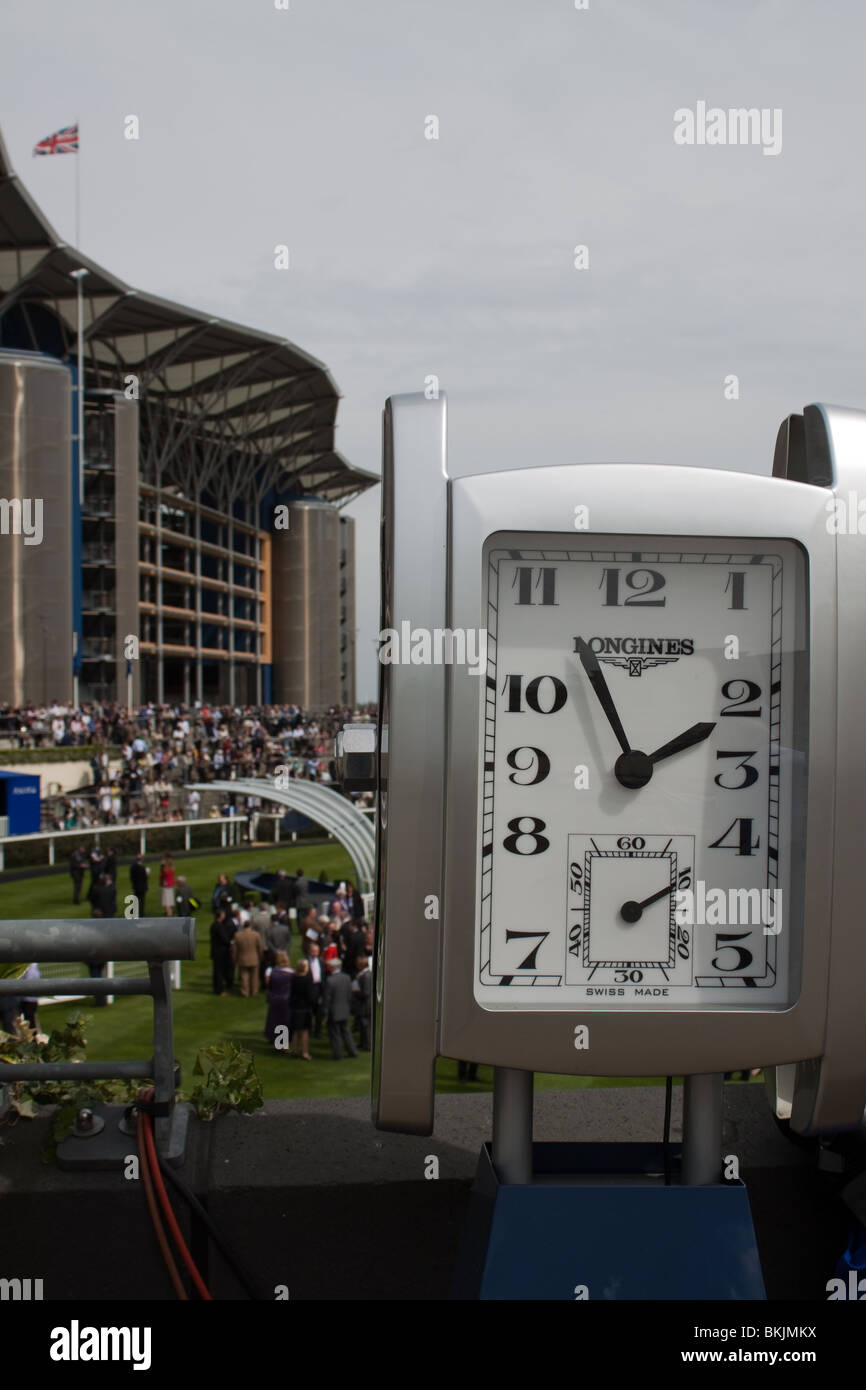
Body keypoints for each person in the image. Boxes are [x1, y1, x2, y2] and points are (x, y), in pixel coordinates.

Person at [324, 957, 357, 1060]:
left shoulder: (330, 981)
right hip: (345, 1009)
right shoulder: (347, 978)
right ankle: (352, 1051)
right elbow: (349, 994)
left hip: (334, 1011)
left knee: (335, 1034)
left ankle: (338, 1054)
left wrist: (325, 1014)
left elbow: (327, 1000)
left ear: (333, 968)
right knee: (346, 1032)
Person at [264, 950, 293, 1046]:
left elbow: (269, 985)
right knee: (283, 1021)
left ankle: (273, 1038)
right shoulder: (291, 974)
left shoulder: (273, 972)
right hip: (286, 999)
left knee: (274, 1019)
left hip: (275, 998)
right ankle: (282, 1043)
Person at [231, 919, 263, 997]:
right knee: (254, 976)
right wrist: (260, 956)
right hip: (254, 958)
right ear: (250, 926)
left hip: (242, 958)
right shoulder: (256, 934)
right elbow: (260, 947)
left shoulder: (238, 935)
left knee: (244, 976)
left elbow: (234, 949)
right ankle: (254, 991)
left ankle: (245, 992)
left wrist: (234, 958)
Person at [289, 958, 313, 1060]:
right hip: (304, 1008)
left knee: (295, 1030)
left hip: (295, 1006)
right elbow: (309, 995)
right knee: (304, 1031)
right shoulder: (307, 979)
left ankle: (294, 1049)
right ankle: (304, 1052)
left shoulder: (294, 977)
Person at [210, 905, 236, 995]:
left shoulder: (215, 925)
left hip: (216, 951)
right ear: (220, 915)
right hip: (220, 952)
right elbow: (225, 939)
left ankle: (217, 988)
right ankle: (219, 990)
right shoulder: (218, 926)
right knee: (219, 971)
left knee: (217, 971)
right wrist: (231, 942)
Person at [352, 954, 372, 1051]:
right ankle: (362, 1043)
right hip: (363, 1004)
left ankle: (367, 1045)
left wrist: (356, 991)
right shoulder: (363, 974)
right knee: (362, 1025)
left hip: (366, 1005)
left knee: (366, 1026)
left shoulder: (367, 976)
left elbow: (366, 993)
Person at [307, 941, 326, 1038]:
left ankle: (318, 1031)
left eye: (317, 951)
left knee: (319, 1012)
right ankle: (309, 1030)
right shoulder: (305, 961)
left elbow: (323, 975)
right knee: (309, 1012)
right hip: (310, 988)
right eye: (313, 951)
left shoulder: (321, 961)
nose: (315, 953)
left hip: (319, 987)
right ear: (309, 951)